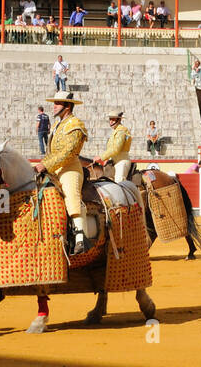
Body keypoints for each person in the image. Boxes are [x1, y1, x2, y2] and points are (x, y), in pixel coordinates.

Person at [33, 93, 90, 254]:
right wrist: (42, 164)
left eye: (58, 103)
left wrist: (46, 164)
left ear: (68, 106)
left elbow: (69, 152)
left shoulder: (75, 124)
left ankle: (80, 238)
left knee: (71, 194)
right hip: (54, 168)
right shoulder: (59, 125)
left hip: (70, 167)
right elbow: (52, 152)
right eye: (55, 103)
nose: (54, 106)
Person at [95, 109, 133, 182]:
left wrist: (101, 157)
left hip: (122, 161)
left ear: (118, 120)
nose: (111, 121)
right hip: (113, 161)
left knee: (119, 182)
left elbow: (116, 149)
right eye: (110, 119)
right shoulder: (116, 131)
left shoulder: (121, 131)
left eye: (113, 119)